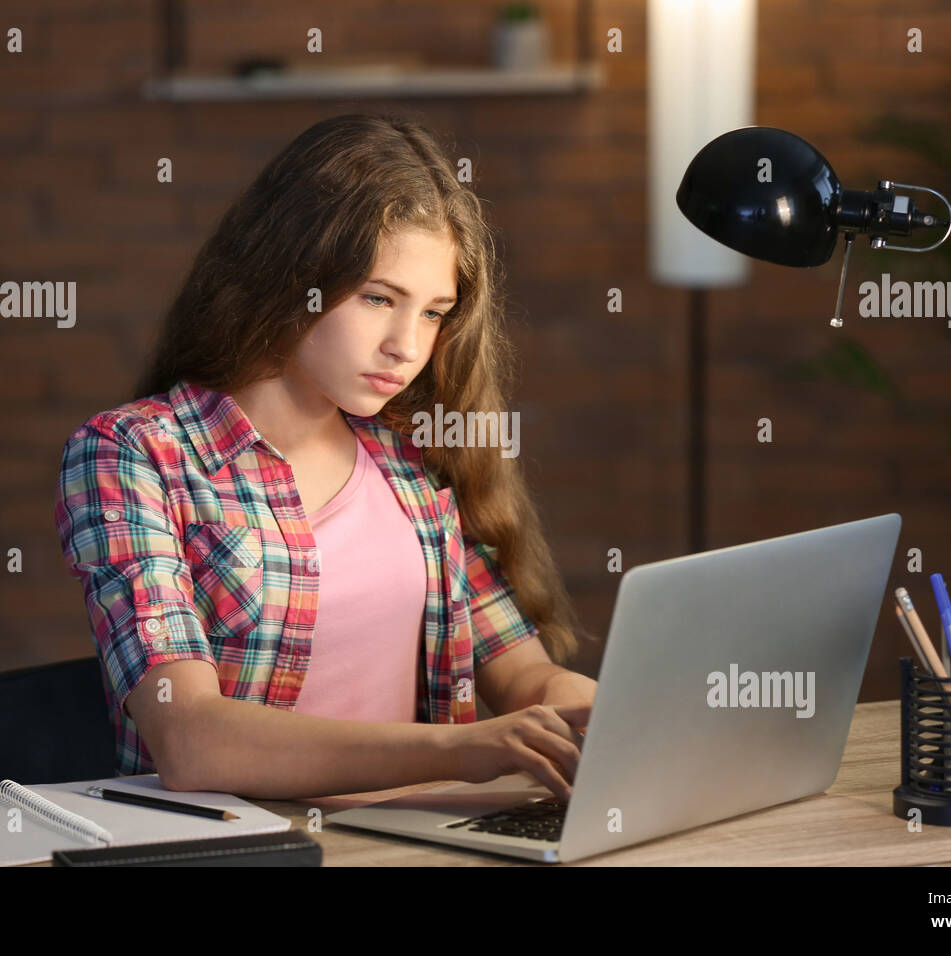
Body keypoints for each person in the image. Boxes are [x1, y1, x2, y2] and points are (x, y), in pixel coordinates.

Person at [54, 113, 596, 802]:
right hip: (246, 851)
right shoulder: (133, 457)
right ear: (289, 274)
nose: (407, 344)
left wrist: (591, 709)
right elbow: (190, 739)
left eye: (434, 312)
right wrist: (461, 748)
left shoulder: (411, 457)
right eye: (378, 298)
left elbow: (522, 675)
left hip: (410, 845)